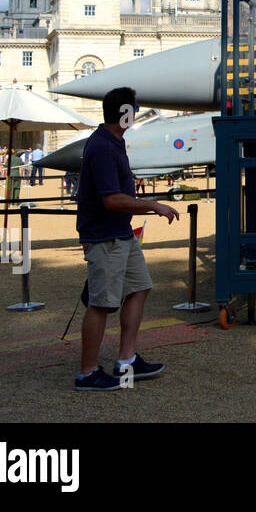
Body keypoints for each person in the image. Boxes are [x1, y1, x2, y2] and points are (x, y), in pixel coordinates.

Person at [75, 86, 179, 391]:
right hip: (105, 236)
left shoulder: (114, 143)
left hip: (120, 233)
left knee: (140, 287)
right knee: (101, 303)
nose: (135, 115)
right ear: (124, 113)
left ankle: (127, 360)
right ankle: (87, 372)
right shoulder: (104, 147)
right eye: (133, 110)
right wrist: (153, 205)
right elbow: (112, 199)